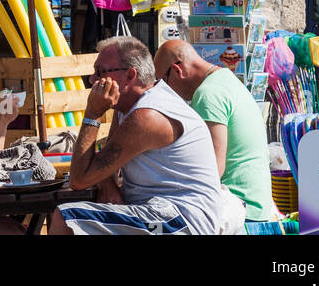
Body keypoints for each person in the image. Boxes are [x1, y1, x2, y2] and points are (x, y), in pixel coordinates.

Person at [49, 35, 224, 235]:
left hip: (183, 219)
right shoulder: (129, 107)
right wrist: (107, 183)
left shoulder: (147, 117)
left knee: (67, 219)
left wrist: (93, 113)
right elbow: (103, 164)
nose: (92, 79)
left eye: (100, 72)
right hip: (162, 212)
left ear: (130, 76)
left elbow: (79, 179)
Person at [154, 39, 277, 224]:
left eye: (163, 83)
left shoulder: (207, 94)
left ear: (177, 71)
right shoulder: (226, 79)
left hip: (238, 211)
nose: (166, 91)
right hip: (256, 206)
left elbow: (210, 171)